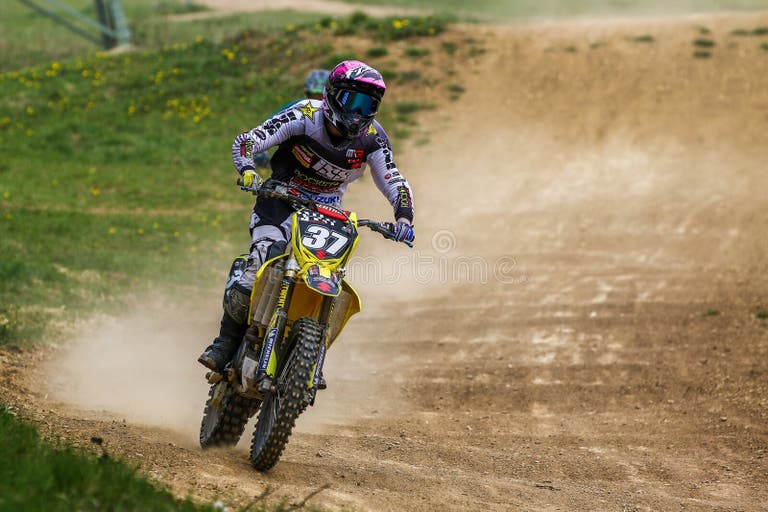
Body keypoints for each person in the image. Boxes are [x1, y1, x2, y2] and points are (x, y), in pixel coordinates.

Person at [198, 60, 415, 377]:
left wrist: (404, 217)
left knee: (330, 275)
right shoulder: (304, 115)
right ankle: (225, 342)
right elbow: (250, 140)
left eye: (367, 104)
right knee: (262, 260)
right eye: (352, 100)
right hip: (280, 200)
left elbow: (394, 179)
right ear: (332, 95)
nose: (357, 112)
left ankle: (307, 355)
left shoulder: (372, 138)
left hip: (326, 213)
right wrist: (247, 169)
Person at [253, 69, 330, 169]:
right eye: (313, 96)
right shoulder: (298, 106)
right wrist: (260, 149)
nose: (316, 102)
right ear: (307, 95)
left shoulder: (342, 115)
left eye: (321, 97)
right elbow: (269, 127)